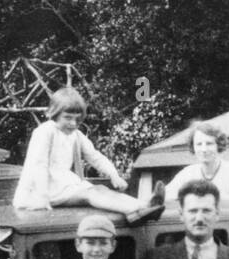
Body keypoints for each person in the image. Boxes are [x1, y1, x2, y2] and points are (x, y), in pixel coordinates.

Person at [13, 86, 164, 224]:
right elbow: (38, 165)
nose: (73, 123)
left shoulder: (75, 135)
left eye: (77, 119)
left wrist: (114, 175)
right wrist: (42, 197)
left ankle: (144, 206)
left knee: (101, 189)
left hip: (62, 185)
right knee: (90, 194)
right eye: (68, 117)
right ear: (55, 114)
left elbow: (95, 156)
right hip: (41, 190)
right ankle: (134, 209)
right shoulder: (45, 131)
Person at [164, 121, 229, 205]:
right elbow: (165, 196)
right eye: (199, 144)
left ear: (218, 144)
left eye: (209, 144)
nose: (204, 149)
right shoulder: (188, 172)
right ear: (193, 146)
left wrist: (205, 196)